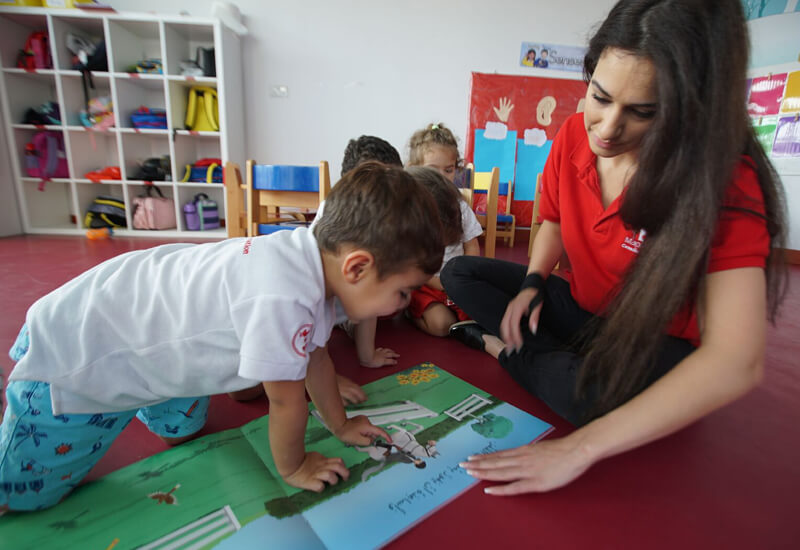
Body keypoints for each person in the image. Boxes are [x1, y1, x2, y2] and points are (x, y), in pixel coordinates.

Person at [442, 0, 787, 495]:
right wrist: (534, 283)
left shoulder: (726, 182)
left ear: (690, 109)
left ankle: (499, 346)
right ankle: (546, 354)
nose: (606, 129)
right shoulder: (572, 135)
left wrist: (579, 449)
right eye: (599, 97)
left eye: (642, 113)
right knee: (460, 275)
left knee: (580, 397)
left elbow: (736, 359)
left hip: (651, 343)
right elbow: (555, 220)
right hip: (579, 308)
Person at [0, 162, 445, 512]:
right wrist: (295, 466)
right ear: (357, 267)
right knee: (24, 497)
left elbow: (317, 359)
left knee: (183, 430)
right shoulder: (284, 298)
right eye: (401, 291)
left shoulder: (310, 263)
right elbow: (287, 401)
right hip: (78, 354)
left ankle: (144, 399)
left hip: (153, 347)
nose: (403, 304)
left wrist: (341, 425)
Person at [311, 135, 405, 369]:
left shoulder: (351, 209)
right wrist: (368, 357)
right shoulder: (357, 223)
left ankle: (344, 323)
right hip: (312, 304)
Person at [406, 166, 483, 336]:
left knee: (479, 317)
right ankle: (410, 312)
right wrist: (442, 285)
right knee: (442, 326)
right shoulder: (410, 221)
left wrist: (465, 277)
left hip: (456, 283)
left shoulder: (457, 206)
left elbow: (471, 245)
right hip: (427, 286)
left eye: (449, 168)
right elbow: (414, 269)